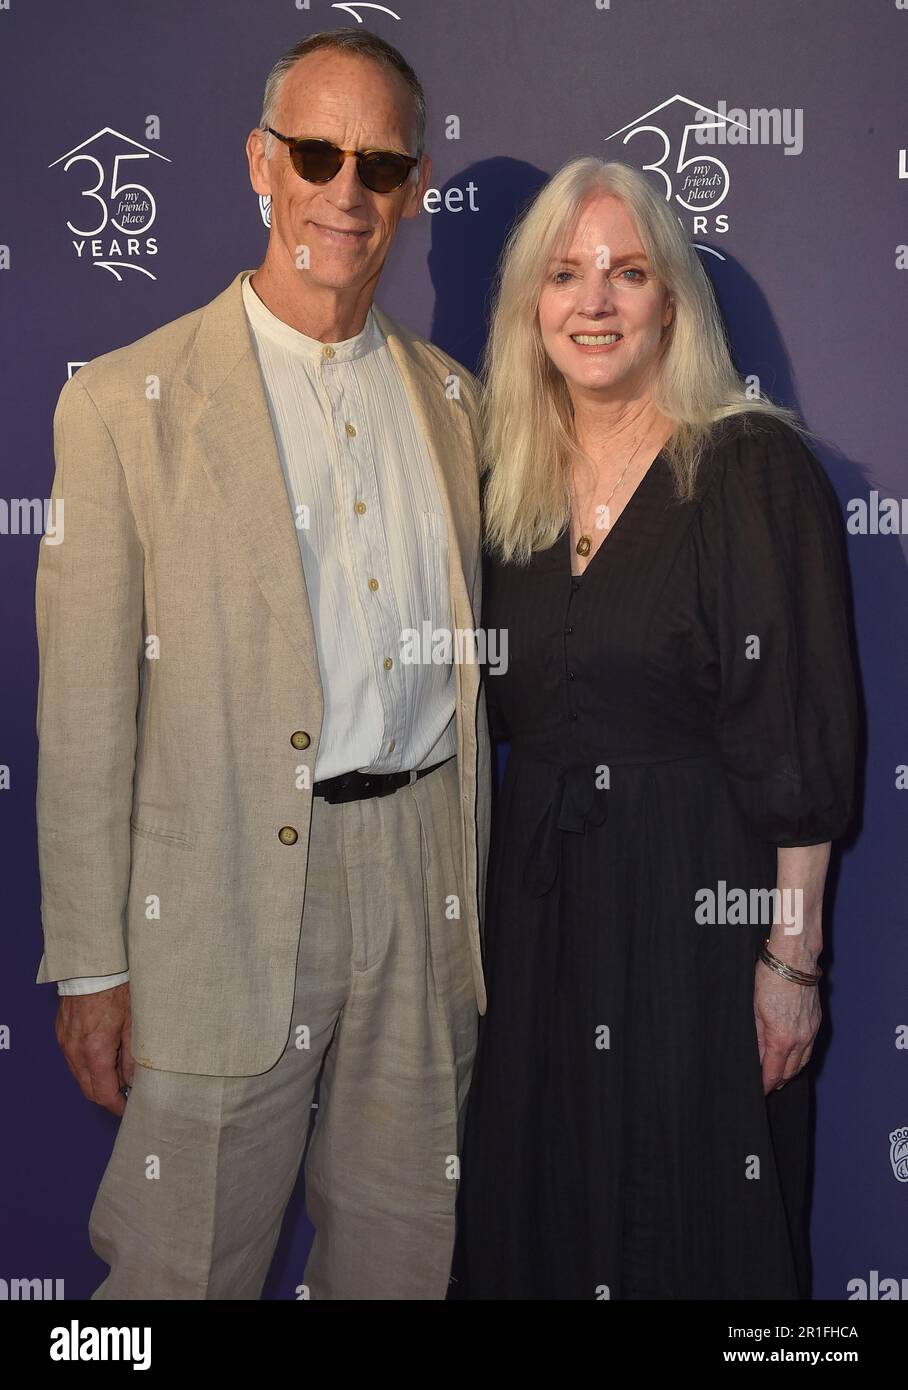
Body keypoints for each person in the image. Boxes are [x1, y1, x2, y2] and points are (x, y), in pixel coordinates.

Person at [34, 28, 491, 1300]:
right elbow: (80, 717)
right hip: (218, 898)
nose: (345, 190)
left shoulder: (457, 407)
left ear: (411, 186)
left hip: (422, 882)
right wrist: (91, 962)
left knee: (406, 1261)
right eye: (315, 152)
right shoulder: (126, 405)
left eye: (380, 164)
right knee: (173, 1278)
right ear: (259, 163)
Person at [450, 157, 859, 1300]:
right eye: (566, 275)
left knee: (691, 1214)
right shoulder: (503, 485)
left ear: (669, 301)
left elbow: (797, 734)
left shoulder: (744, 467)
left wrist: (789, 957)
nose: (594, 301)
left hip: (696, 912)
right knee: (544, 1205)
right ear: (528, 306)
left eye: (626, 273)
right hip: (537, 920)